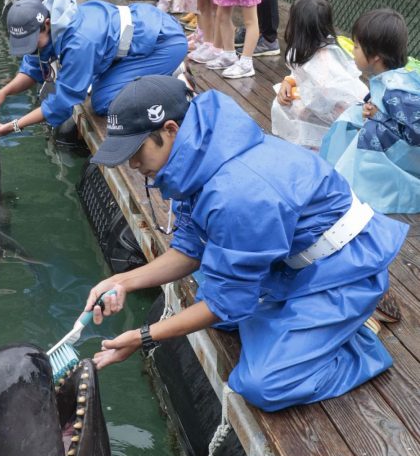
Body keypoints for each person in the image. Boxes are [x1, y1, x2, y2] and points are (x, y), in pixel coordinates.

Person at [84, 75, 408, 413]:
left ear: (169, 130)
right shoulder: (196, 156)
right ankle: (309, 324)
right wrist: (120, 281)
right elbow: (190, 249)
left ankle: (359, 341)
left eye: (136, 152)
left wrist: (143, 337)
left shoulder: (235, 193)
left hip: (343, 266)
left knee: (263, 385)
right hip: (293, 259)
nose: (133, 166)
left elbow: (226, 304)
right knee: (212, 296)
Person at [0, 0, 187, 137]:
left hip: (163, 42)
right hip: (140, 33)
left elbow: (63, 102)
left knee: (104, 102)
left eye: (30, 41)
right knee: (98, 92)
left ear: (46, 24)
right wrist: (5, 91)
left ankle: (169, 86)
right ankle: (158, 75)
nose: (28, 48)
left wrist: (15, 125)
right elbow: (33, 66)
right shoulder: (51, 21)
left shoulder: (79, 42)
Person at [320, 9, 420, 214]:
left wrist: (379, 117)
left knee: (371, 131)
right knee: (353, 114)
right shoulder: (392, 78)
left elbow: (414, 134)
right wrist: (371, 109)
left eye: (356, 46)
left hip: (412, 157)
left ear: (375, 56)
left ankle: (359, 184)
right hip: (401, 141)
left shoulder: (397, 91)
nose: (353, 50)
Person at [271, 0, 366, 150]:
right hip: (325, 101)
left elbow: (326, 99)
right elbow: (300, 75)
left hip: (343, 111)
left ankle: (315, 147)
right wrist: (288, 81)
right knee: (283, 103)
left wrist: (299, 95)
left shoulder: (326, 59)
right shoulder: (306, 48)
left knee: (291, 108)